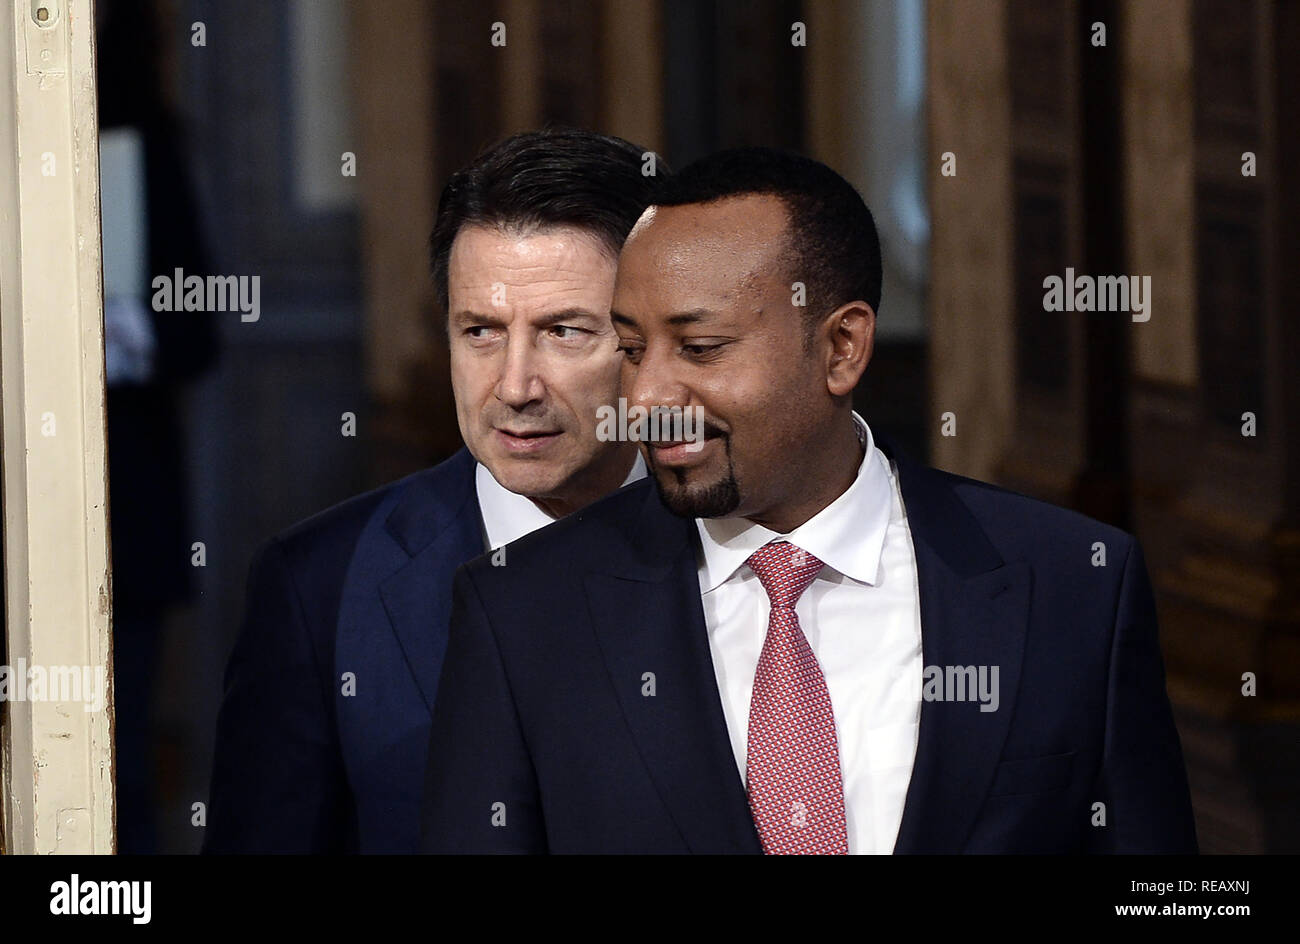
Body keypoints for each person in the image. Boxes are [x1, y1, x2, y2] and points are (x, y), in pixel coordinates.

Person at [420, 147, 1198, 854]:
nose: (649, 395)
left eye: (700, 348)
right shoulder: (523, 612)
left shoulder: (1071, 583)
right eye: (631, 348)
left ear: (842, 348)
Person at [203, 129, 666, 853]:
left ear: (651, 340)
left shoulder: (745, 550)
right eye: (480, 331)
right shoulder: (316, 587)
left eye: (564, 332)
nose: (514, 387)